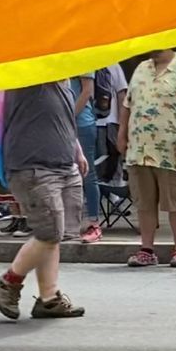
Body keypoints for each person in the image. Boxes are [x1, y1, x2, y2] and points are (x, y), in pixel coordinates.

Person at [0, 80, 88, 321]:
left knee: (52, 234)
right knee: (50, 232)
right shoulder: (29, 75)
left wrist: (77, 150)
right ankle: (9, 281)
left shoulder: (63, 81)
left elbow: (59, 117)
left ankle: (49, 299)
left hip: (64, 165)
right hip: (33, 167)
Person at [118, 48, 176, 268]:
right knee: (144, 203)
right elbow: (128, 104)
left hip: (173, 149)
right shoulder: (141, 68)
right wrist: (122, 133)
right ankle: (146, 249)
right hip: (140, 150)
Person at [69, 72, 104, 243]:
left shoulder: (82, 61)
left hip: (82, 123)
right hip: (61, 124)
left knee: (88, 174)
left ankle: (93, 223)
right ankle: (69, 222)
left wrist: (68, 116)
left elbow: (87, 90)